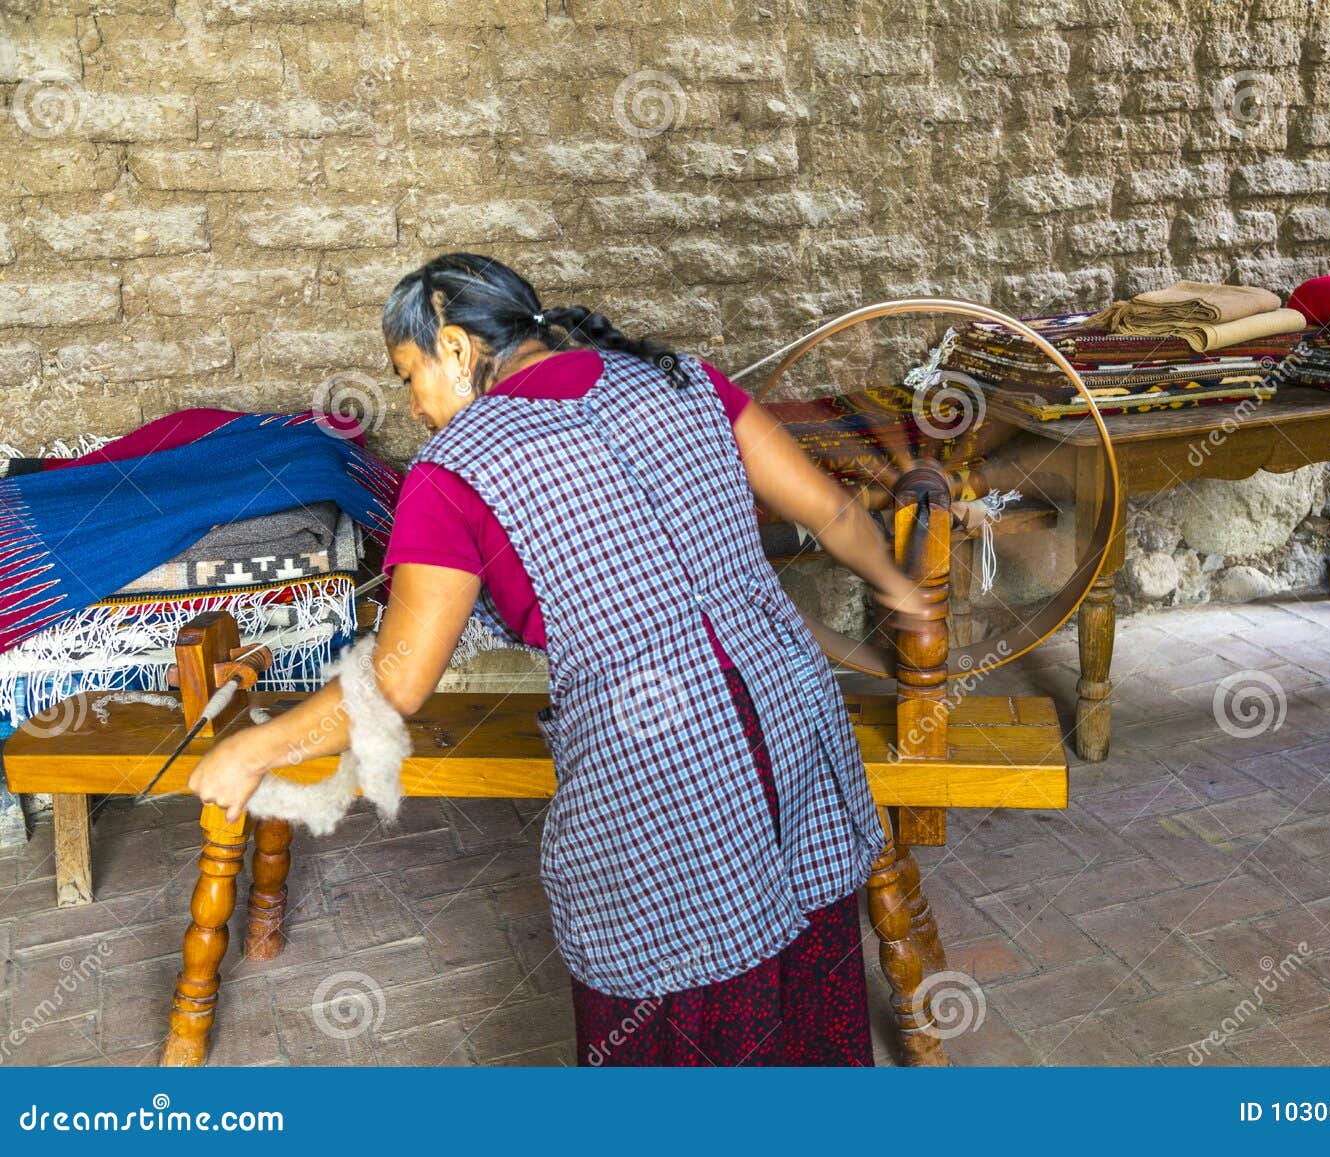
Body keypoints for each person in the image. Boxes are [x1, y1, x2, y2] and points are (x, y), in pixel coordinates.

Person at [188, 252, 936, 1066]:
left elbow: (397, 683)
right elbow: (829, 508)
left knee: (683, 1002)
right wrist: (904, 592)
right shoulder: (680, 379)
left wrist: (250, 749)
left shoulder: (454, 469)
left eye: (409, 376)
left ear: (454, 345)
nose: (414, 406)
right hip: (793, 721)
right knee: (803, 979)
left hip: (665, 767)